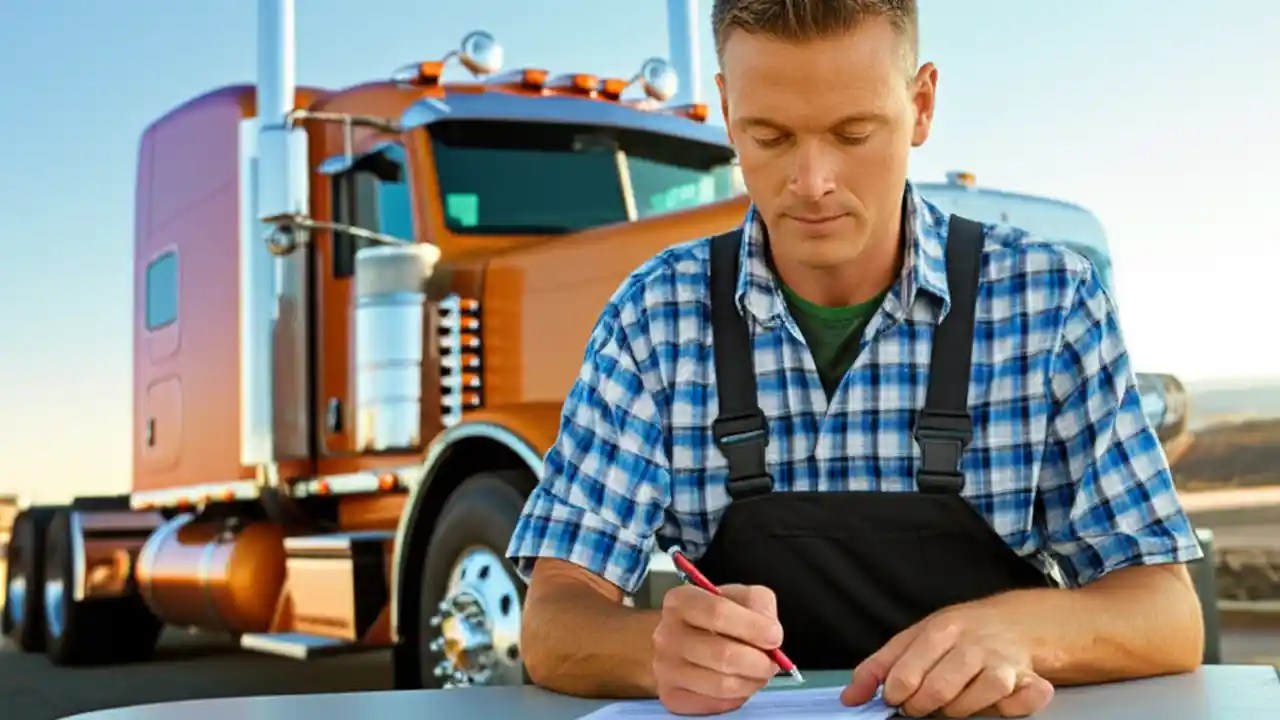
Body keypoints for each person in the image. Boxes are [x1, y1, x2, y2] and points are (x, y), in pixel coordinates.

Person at [505, 1, 1207, 717]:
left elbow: (1166, 614)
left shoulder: (1048, 303)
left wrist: (1018, 632)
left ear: (921, 104)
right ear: (725, 107)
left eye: (853, 133)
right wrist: (653, 647)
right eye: (770, 135)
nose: (811, 181)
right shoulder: (656, 317)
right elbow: (555, 620)